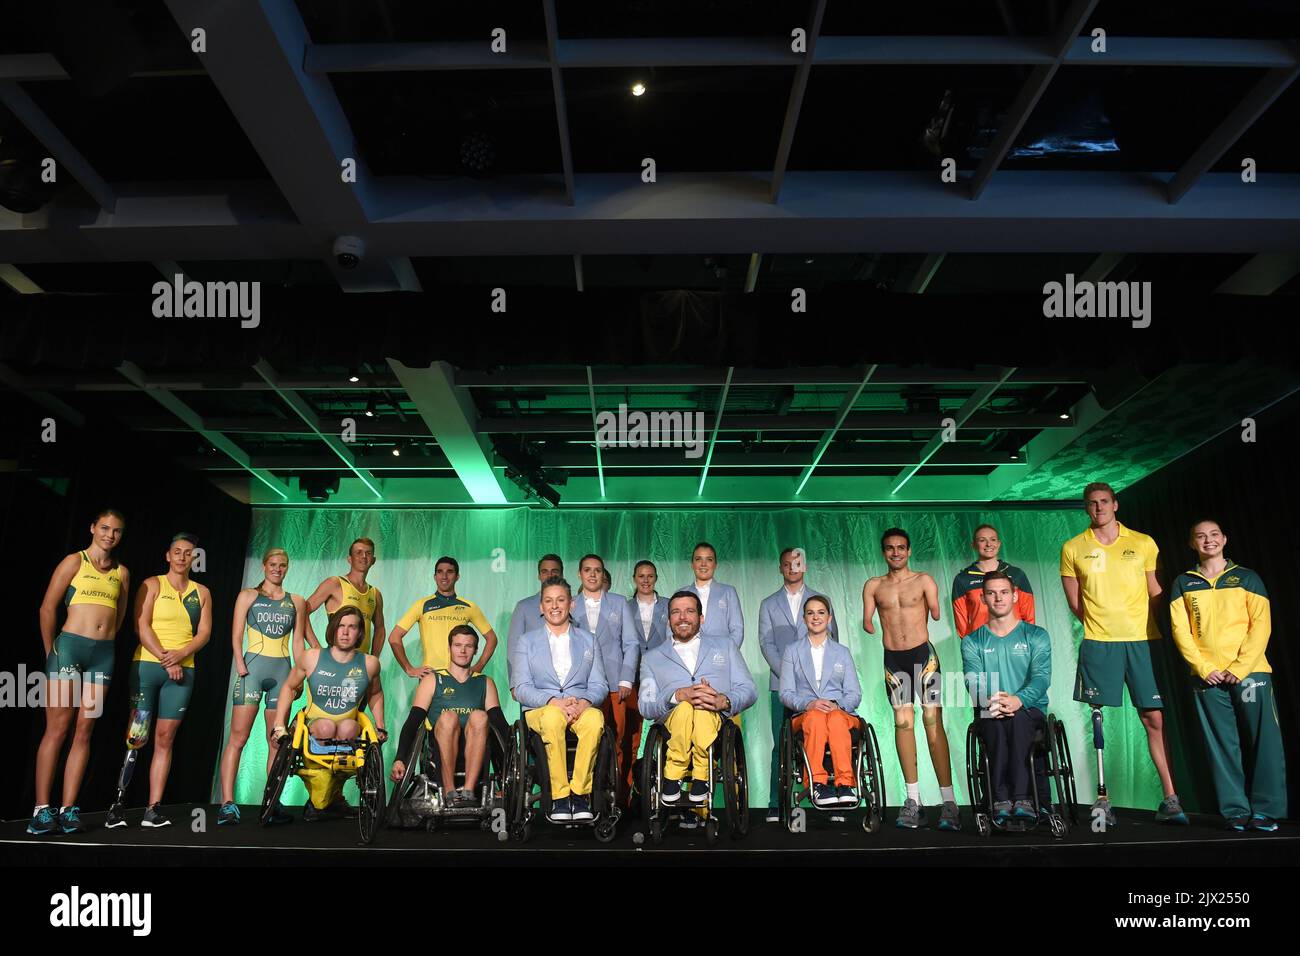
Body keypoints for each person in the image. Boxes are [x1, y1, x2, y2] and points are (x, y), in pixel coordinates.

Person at [1060, 482, 1185, 826]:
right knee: (1098, 718)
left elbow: (1156, 592)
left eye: (1104, 502)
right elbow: (1075, 601)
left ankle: (1171, 798)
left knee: (1153, 718)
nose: (1098, 508)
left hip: (1143, 640)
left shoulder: (1143, 542)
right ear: (1086, 509)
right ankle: (1103, 801)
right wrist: (1104, 626)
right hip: (1100, 642)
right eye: (1091, 503)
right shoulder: (1073, 547)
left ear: (1115, 505)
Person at [1169, 520, 1284, 832]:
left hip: (1250, 674)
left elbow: (1261, 625)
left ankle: (1265, 811)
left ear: (1225, 540)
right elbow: (1181, 631)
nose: (1208, 540)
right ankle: (1235, 811)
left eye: (1214, 534)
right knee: (1221, 746)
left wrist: (1240, 667)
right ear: (1192, 544)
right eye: (1200, 536)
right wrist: (1205, 669)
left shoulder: (1247, 578)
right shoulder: (1183, 583)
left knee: (1264, 742)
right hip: (1208, 678)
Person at [31, 509, 131, 835]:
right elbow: (47, 607)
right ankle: (42, 810)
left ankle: (68, 808)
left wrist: (104, 643)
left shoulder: (122, 573)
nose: (109, 535)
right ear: (92, 528)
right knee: (58, 730)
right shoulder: (74, 563)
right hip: (69, 650)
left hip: (102, 656)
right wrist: (51, 652)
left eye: (116, 530)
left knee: (85, 731)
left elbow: (119, 619)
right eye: (104, 528)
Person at [107, 533, 212, 829]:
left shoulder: (202, 592)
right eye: (176, 551)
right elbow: (140, 625)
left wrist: (179, 657)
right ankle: (118, 803)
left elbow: (204, 634)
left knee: (165, 739)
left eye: (188, 552)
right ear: (168, 555)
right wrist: (168, 660)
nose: (181, 557)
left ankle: (153, 809)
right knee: (137, 736)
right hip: (148, 668)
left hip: (183, 673)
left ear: (194, 558)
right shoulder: (152, 584)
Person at [863, 528, 959, 830]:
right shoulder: (873, 585)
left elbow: (936, 612)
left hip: (923, 657)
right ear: (883, 552)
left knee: (933, 722)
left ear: (909, 550)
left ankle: (949, 803)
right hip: (894, 660)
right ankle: (912, 801)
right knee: (903, 723)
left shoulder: (924, 580)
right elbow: (868, 623)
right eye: (890, 548)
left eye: (901, 547)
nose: (896, 553)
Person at [638, 590, 757, 808]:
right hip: (673, 725)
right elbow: (646, 706)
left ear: (701, 618)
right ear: (669, 619)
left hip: (713, 720)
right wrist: (677, 696)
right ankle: (674, 773)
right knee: (684, 708)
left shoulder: (726, 646)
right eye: (676, 612)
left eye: (689, 611)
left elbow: (749, 689)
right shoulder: (651, 658)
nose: (682, 617)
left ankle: (700, 775)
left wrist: (724, 700)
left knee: (702, 708)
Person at [216, 548, 308, 826]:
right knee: (238, 739)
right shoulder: (247, 596)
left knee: (276, 742)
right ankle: (227, 803)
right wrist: (241, 667)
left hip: (282, 674)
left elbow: (297, 643)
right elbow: (235, 635)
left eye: (283, 565)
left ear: (287, 568)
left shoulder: (297, 601)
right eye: (273, 564)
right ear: (264, 566)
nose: (278, 569)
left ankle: (271, 803)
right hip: (251, 672)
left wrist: (299, 676)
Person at [271, 605, 387, 821]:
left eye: (352, 627)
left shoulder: (370, 663)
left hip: (347, 728)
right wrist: (279, 725)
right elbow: (288, 687)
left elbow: (376, 694)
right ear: (333, 629)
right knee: (326, 727)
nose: (345, 632)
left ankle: (333, 797)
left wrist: (380, 725)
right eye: (341, 626)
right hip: (314, 725)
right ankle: (318, 798)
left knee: (349, 727)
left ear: (360, 633)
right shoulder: (311, 657)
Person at [508, 577, 607, 822]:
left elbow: (599, 685)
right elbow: (520, 687)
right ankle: (560, 796)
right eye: (549, 601)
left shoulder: (588, 640)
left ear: (571, 604)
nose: (555, 606)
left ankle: (580, 794)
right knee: (553, 718)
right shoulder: (527, 642)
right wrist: (553, 701)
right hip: (542, 709)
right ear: (541, 607)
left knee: (596, 719)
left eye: (560, 600)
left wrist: (584, 702)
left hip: (579, 707)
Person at [960, 571, 1053, 824]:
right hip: (990, 707)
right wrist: (993, 700)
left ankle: (1023, 798)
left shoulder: (1036, 635)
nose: (998, 598)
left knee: (1018, 720)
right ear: (983, 598)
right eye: (991, 593)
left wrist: (1018, 700)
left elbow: (1041, 678)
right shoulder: (972, 641)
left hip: (1029, 709)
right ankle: (1000, 800)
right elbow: (972, 679)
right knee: (997, 721)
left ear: (1014, 596)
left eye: (1003, 592)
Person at [758, 546, 838, 821]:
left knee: (823, 737)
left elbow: (833, 641)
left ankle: (830, 798)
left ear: (805, 567)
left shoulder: (821, 600)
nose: (792, 568)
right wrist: (789, 674)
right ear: (780, 568)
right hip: (781, 684)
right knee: (781, 743)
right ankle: (775, 802)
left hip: (819, 687)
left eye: (797, 563)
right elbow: (766, 643)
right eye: (787, 564)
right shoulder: (768, 603)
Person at [391, 625, 500, 806]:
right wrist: (400, 758)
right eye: (457, 645)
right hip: (438, 754)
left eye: (468, 646)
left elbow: (500, 727)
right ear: (449, 648)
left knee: (480, 716)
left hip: (477, 751)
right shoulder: (432, 680)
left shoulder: (485, 682)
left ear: (475, 650)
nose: (463, 650)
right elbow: (412, 723)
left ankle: (468, 791)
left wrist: (507, 768)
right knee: (449, 717)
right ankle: (448, 791)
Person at [779, 595, 861, 807]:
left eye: (821, 612)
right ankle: (817, 783)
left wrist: (837, 706)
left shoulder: (842, 652)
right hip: (806, 714)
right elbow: (785, 693)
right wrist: (809, 704)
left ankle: (845, 783)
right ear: (804, 618)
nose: (816, 617)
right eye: (810, 613)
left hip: (839, 712)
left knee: (834, 719)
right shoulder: (792, 651)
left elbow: (854, 693)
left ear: (829, 617)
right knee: (815, 718)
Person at [575, 554, 639, 806]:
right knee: (587, 742)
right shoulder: (568, 605)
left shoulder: (619, 603)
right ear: (580, 574)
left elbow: (632, 643)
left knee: (618, 741)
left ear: (603, 575)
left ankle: (620, 800)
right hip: (580, 687)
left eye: (598, 570)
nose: (592, 574)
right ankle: (586, 798)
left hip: (614, 684)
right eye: (588, 570)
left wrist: (626, 679)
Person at [389, 556, 497, 678]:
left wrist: (478, 667)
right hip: (431, 676)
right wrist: (409, 669)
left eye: (449, 572)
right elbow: (394, 637)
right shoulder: (422, 605)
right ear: (435, 577)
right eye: (440, 572)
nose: (444, 576)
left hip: (460, 677)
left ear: (457, 577)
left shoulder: (469, 606)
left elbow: (492, 638)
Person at [951, 524, 1035, 638]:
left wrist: (1027, 641)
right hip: (981, 643)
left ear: (999, 544)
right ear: (974, 545)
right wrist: (971, 645)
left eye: (993, 540)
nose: (988, 544)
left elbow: (1029, 615)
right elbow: (961, 623)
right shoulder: (963, 579)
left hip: (1016, 642)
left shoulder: (1016, 574)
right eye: (982, 540)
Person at [304, 537, 384, 657]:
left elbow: (380, 628)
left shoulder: (375, 593)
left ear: (373, 560)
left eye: (368, 553)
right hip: (336, 661)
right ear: (349, 559)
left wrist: (374, 658)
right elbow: (302, 612)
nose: (363, 556)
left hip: (361, 665)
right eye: (358, 553)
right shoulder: (334, 584)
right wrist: (316, 647)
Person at [680, 541, 744, 646]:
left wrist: (726, 654)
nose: (703, 564)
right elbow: (672, 629)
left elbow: (737, 630)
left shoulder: (728, 591)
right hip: (688, 657)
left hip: (720, 657)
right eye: (698, 559)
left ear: (715, 565)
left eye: (709, 559)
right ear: (692, 564)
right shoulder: (681, 593)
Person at [507, 554, 565, 667]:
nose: (550, 575)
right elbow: (514, 648)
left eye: (554, 571)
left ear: (561, 574)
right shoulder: (524, 607)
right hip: (533, 679)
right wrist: (516, 683)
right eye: (545, 571)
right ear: (539, 576)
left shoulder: (573, 605)